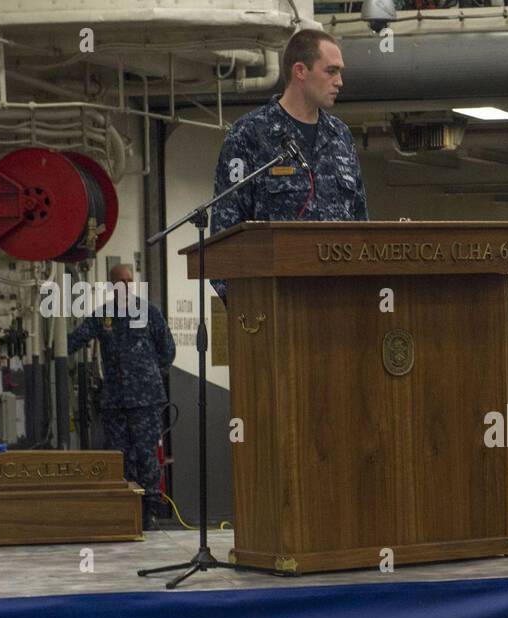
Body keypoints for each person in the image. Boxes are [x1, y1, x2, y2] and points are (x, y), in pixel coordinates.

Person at [210, 29, 368, 301]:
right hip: (274, 307)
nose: (340, 81)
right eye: (331, 71)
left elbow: (360, 223)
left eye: (340, 72)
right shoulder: (249, 135)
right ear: (300, 71)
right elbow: (225, 236)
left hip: (341, 304)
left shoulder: (340, 136)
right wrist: (246, 307)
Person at [66, 264, 176, 530]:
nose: (125, 286)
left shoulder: (149, 312)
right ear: (111, 285)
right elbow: (72, 342)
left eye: (129, 281)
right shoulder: (103, 316)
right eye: (120, 282)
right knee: (120, 456)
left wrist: (145, 374)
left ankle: (149, 510)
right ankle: (128, 508)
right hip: (115, 400)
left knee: (147, 454)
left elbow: (167, 351)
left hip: (146, 400)